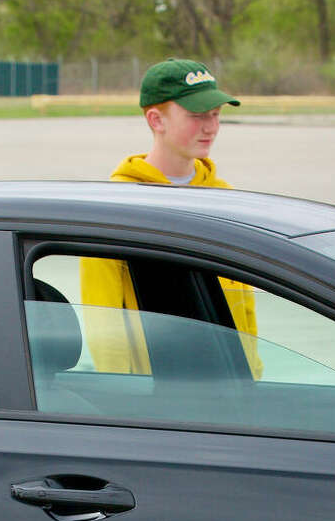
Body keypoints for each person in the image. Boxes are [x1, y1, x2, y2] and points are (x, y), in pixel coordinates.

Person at [78, 58, 259, 374]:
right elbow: (102, 317)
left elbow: (243, 302)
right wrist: (125, 392)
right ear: (155, 119)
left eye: (216, 115)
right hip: (155, 395)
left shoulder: (225, 198)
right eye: (197, 116)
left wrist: (251, 374)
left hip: (227, 383)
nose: (211, 126)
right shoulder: (115, 205)